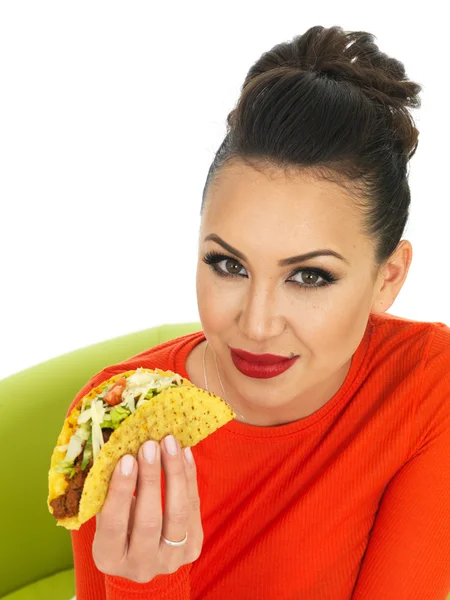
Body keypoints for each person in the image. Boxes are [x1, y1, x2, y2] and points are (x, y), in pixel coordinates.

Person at [67, 25, 450, 600]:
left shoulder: (425, 385)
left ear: (387, 277)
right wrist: (146, 587)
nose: (257, 323)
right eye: (228, 265)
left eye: (309, 276)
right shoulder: (115, 420)